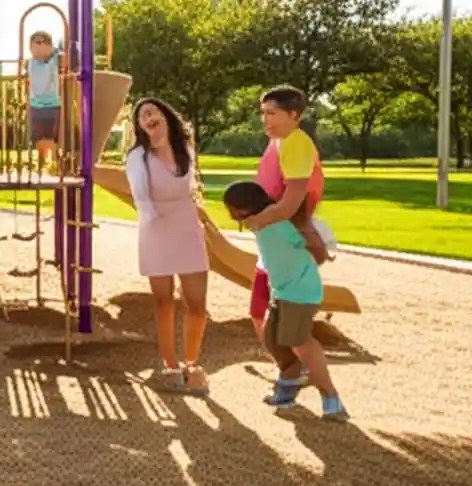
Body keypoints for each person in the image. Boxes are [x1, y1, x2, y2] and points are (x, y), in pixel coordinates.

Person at [223, 181, 348, 421]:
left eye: (231, 208)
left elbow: (310, 240)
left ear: (245, 206)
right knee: (271, 338)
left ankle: (331, 398)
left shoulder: (279, 224)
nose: (230, 214)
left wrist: (319, 253)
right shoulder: (261, 223)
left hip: (301, 291)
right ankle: (290, 382)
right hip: (281, 291)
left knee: (299, 342)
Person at [245, 86, 331, 391]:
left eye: (272, 113)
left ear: (293, 115)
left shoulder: (296, 145)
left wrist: (254, 219)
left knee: (274, 320)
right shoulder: (279, 143)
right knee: (262, 315)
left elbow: (291, 203)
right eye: (263, 113)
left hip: (286, 242)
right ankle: (290, 373)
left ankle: (300, 376)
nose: (265, 119)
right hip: (274, 241)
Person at [124, 97, 210, 395]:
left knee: (197, 304)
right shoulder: (138, 156)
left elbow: (191, 188)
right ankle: (170, 365)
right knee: (164, 301)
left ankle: (191, 362)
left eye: (152, 111)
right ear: (140, 127)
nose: (147, 117)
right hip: (155, 226)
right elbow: (139, 192)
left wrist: (200, 216)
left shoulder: (185, 148)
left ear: (164, 117)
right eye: (142, 116)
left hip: (185, 223)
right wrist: (148, 214)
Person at [25, 31, 63, 172]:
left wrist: (52, 50)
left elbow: (63, 55)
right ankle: (42, 163)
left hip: (52, 104)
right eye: (34, 44)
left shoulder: (54, 60)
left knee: (51, 136)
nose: (35, 47)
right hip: (36, 104)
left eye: (40, 43)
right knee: (39, 136)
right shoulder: (31, 63)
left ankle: (54, 162)